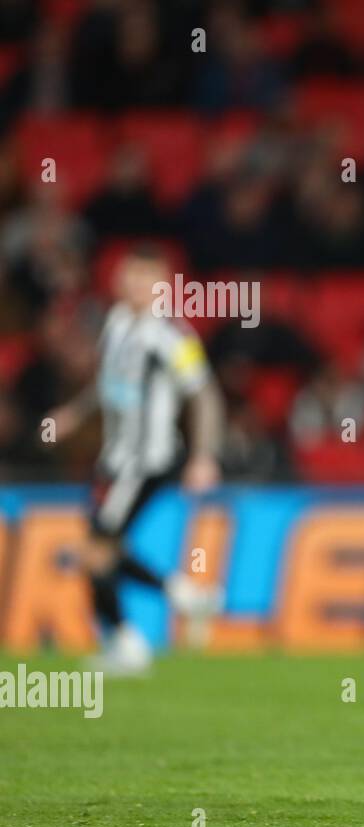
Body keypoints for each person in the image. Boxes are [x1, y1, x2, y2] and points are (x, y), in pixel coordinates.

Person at [47, 245, 224, 674]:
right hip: (115, 456)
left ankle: (127, 642)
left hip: (146, 460)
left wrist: (203, 456)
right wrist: (75, 412)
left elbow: (204, 394)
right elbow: (109, 384)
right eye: (130, 276)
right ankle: (188, 597)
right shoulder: (117, 320)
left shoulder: (172, 335)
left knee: (95, 548)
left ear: (163, 285)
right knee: (103, 547)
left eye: (146, 278)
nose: (135, 286)